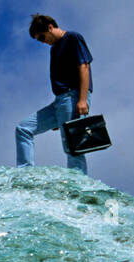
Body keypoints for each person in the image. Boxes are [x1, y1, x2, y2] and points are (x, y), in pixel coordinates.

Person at [16, 14, 93, 175]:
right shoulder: (54, 49)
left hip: (73, 97)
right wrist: (58, 117)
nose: (43, 42)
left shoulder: (73, 37)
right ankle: (25, 173)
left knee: (72, 144)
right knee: (23, 128)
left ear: (50, 27)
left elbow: (84, 67)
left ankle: (79, 183)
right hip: (59, 103)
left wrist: (83, 100)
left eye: (42, 37)